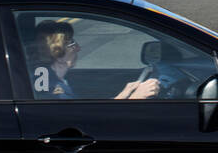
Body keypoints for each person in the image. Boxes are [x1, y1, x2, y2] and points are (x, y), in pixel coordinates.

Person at [30, 21, 160, 101]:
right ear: (57, 50)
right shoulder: (53, 89)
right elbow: (82, 122)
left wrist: (123, 95)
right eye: (72, 44)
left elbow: (83, 112)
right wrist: (135, 98)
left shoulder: (48, 79)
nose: (78, 48)